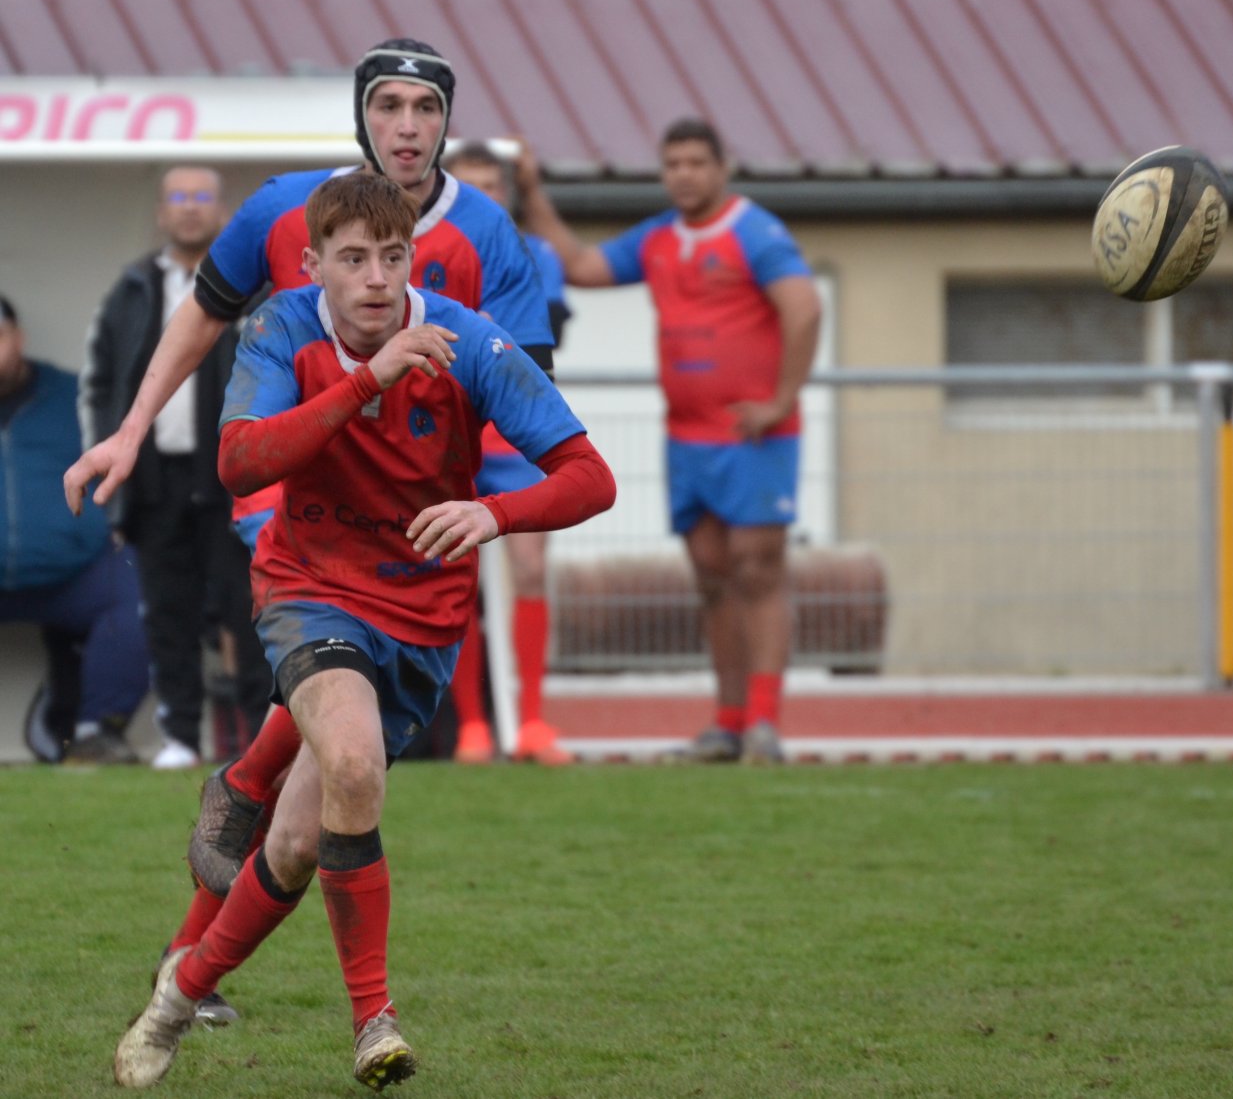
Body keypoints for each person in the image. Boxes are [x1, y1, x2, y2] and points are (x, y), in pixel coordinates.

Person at [66, 38, 559, 985]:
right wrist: (131, 429)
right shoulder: (284, 206)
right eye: (388, 107)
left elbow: (522, 387)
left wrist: (490, 509)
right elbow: (203, 315)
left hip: (407, 537)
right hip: (292, 507)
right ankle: (219, 965)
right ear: (360, 114)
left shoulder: (488, 233)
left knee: (299, 788)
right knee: (322, 737)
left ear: (448, 119)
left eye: (424, 108)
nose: (406, 128)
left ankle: (200, 931)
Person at [113, 170, 615, 1091]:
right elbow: (240, 461)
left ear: (412, 258)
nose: (376, 278)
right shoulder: (283, 328)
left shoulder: (468, 341)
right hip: (311, 587)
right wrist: (363, 385)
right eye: (352, 260)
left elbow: (591, 475)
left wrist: (492, 516)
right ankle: (372, 1020)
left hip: (422, 617)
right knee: (351, 763)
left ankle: (178, 994)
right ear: (312, 267)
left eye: (391, 257)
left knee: (299, 841)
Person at [516, 118, 822, 764]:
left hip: (753, 435)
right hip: (687, 438)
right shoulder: (658, 238)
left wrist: (782, 400)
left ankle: (765, 724)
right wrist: (532, 193)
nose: (684, 174)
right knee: (711, 576)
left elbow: (805, 308)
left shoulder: (754, 232)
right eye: (673, 163)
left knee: (758, 569)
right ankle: (728, 721)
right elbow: (580, 266)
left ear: (720, 168)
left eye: (695, 162)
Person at [82, 166, 271, 770]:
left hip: (233, 477)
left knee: (250, 610)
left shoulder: (251, 286)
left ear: (222, 212)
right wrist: (112, 484)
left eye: (203, 197)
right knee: (168, 611)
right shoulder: (134, 287)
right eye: (178, 198)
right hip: (156, 479)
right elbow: (102, 385)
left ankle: (261, 744)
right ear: (161, 212)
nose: (190, 209)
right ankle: (181, 738)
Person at [443, 140, 573, 764]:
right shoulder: (424, 250)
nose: (480, 198)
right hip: (449, 437)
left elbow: (551, 332)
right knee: (458, 575)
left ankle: (533, 722)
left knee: (528, 569)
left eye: (491, 186)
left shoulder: (534, 253)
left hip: (516, 437)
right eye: (467, 186)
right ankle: (473, 727)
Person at [0, 295, 149, 764]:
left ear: (17, 339)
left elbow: (131, 462)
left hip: (74, 574)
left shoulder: (77, 396)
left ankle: (94, 735)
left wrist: (126, 519)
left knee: (143, 591)